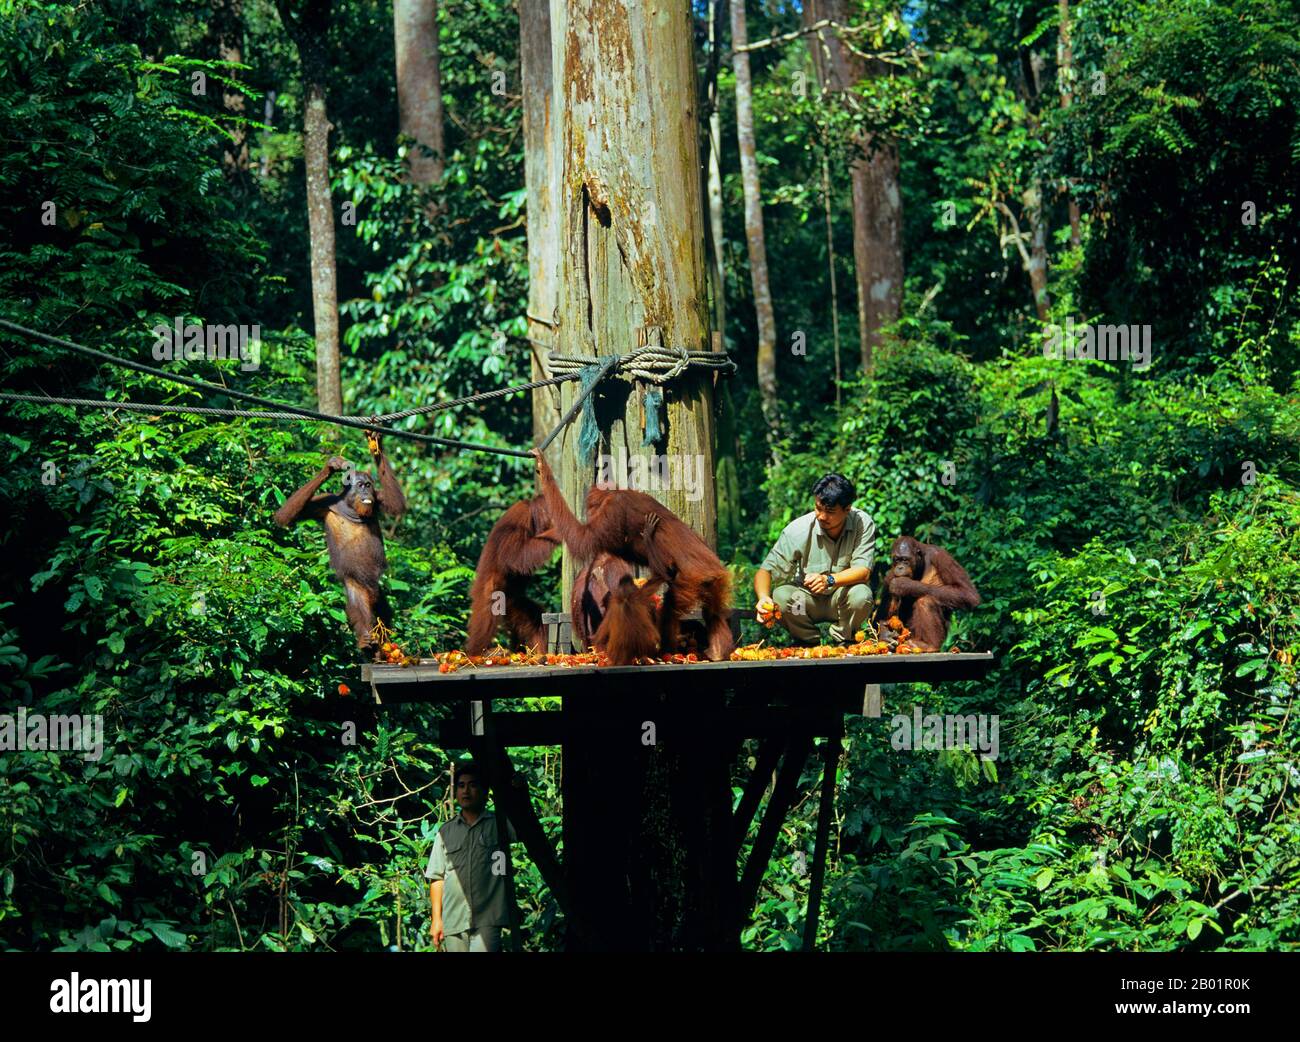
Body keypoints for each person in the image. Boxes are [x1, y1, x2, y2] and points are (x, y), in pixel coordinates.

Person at [753, 473, 876, 645]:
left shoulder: (863, 523)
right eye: (818, 508)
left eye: (830, 511)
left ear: (847, 509)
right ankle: (808, 642)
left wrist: (829, 580)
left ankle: (844, 639)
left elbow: (863, 571)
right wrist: (763, 598)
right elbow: (765, 571)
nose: (821, 516)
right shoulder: (797, 530)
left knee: (862, 595)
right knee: (781, 595)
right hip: (806, 602)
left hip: (842, 599)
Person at [425, 761, 516, 952]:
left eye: (473, 785)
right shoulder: (445, 831)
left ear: (484, 791)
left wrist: (516, 787)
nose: (466, 791)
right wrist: (437, 920)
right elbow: (437, 877)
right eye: (461, 786)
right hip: (454, 919)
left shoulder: (499, 824)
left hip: (488, 916)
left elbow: (526, 830)